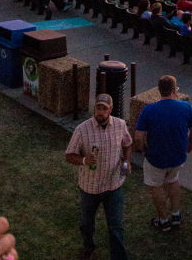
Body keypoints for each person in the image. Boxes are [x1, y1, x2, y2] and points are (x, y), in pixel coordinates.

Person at [66, 93, 132, 260]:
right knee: (86, 223)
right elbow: (69, 155)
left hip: (113, 185)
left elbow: (128, 143)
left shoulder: (120, 125)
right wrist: (83, 160)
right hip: (90, 187)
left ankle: (118, 257)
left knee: (116, 226)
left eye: (104, 108)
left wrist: (126, 161)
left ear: (110, 110)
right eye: (97, 108)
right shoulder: (82, 129)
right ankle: (88, 246)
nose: (100, 112)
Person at [134, 75, 192, 233]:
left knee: (156, 186)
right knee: (173, 179)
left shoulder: (149, 109)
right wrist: (189, 144)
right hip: (178, 155)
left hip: (156, 157)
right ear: (174, 90)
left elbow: (138, 136)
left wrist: (142, 149)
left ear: (159, 91)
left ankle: (163, 220)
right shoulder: (186, 107)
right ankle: (176, 214)